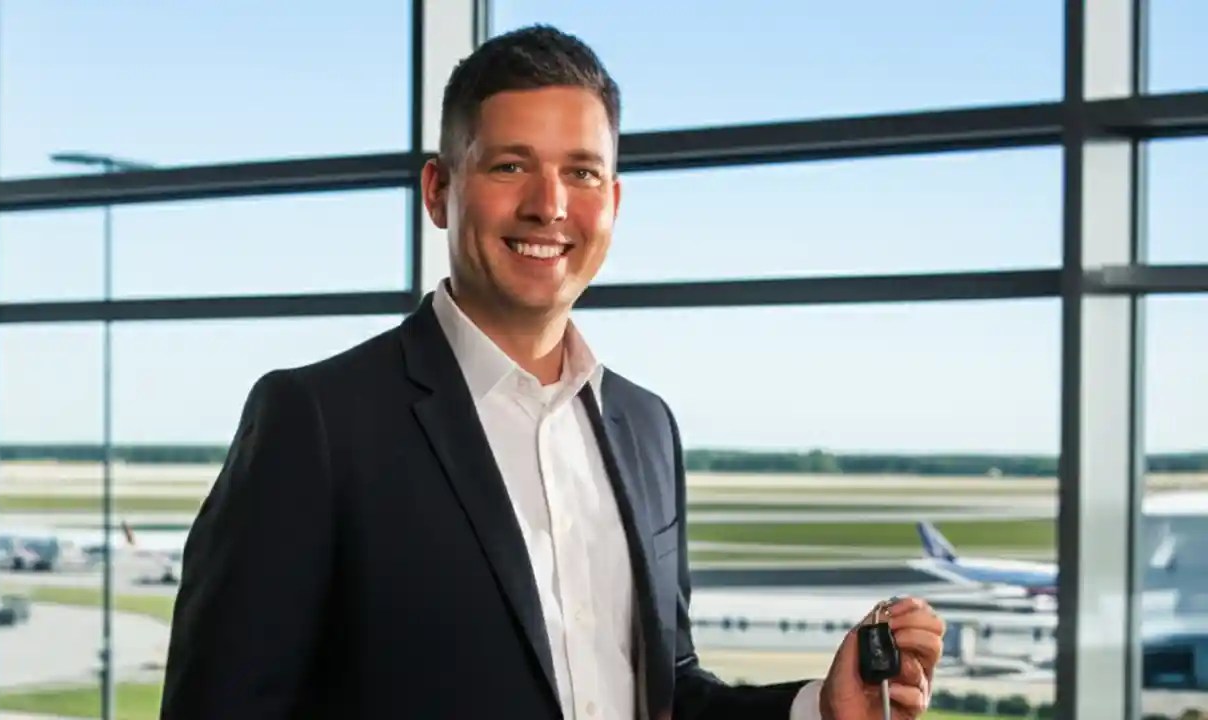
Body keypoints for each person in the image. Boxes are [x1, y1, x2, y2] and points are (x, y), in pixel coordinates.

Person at [159, 24, 944, 720]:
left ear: (615, 199)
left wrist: (819, 709)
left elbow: (666, 690)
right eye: (509, 167)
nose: (550, 205)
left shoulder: (646, 427)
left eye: (583, 172)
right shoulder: (318, 422)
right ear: (439, 191)